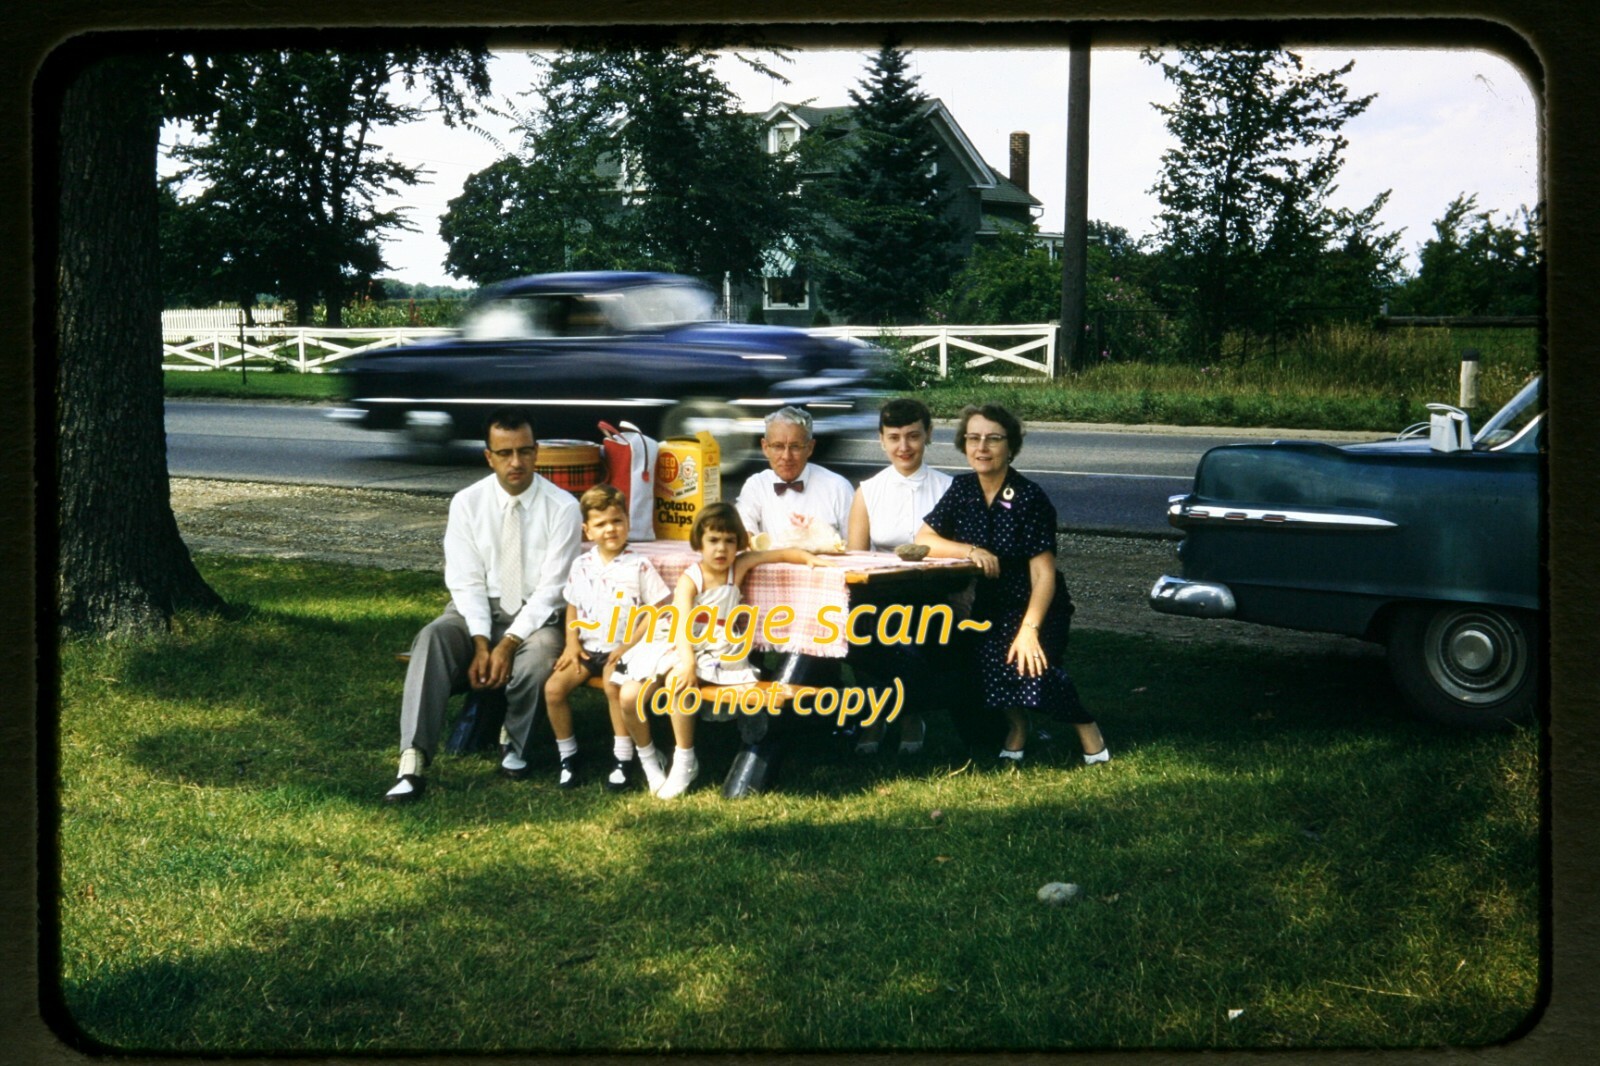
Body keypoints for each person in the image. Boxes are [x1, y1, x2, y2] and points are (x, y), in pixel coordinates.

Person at [384, 407, 582, 804]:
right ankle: (413, 760)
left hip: (533, 610)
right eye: (505, 453)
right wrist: (480, 642)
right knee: (433, 637)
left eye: (525, 452)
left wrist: (507, 643)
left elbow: (551, 589)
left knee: (540, 652)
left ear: (537, 452)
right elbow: (465, 580)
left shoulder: (563, 507)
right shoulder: (466, 503)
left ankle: (515, 741)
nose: (516, 462)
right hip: (476, 608)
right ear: (488, 456)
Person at [915, 404, 1110, 769]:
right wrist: (970, 550)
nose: (981, 447)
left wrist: (1029, 629)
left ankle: (1086, 726)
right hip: (985, 607)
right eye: (973, 438)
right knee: (981, 664)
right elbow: (925, 539)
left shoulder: (1029, 498)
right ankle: (1018, 727)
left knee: (1033, 665)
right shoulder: (962, 489)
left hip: (1035, 606)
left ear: (1010, 446)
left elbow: (1044, 574)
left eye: (993, 439)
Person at [613, 503, 818, 800]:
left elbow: (781, 553)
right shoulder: (690, 578)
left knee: (678, 685)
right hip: (681, 640)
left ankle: (685, 760)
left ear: (738, 543)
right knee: (630, 696)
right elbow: (682, 626)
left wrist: (809, 558)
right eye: (713, 540)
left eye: (729, 541)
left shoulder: (739, 566)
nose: (721, 549)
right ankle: (649, 762)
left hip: (718, 646)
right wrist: (688, 662)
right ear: (699, 542)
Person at [543, 483, 672, 791]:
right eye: (601, 524)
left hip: (622, 649)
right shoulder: (581, 564)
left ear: (627, 522)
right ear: (587, 530)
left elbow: (659, 609)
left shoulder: (638, 565)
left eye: (617, 521)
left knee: (614, 687)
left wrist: (628, 645)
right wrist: (572, 642)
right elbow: (572, 606)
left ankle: (622, 758)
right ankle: (568, 756)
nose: (610, 529)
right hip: (587, 649)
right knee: (553, 689)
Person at [846, 397, 954, 755]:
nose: (903, 447)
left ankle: (911, 715)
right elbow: (856, 559)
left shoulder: (950, 489)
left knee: (921, 632)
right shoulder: (868, 491)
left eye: (913, 436)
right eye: (894, 437)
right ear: (881, 439)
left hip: (934, 591)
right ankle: (874, 716)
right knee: (861, 629)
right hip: (880, 592)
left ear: (929, 436)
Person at [734, 406, 854, 540]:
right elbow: (743, 530)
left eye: (795, 447)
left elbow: (856, 547)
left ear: (810, 448)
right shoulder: (756, 486)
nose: (786, 456)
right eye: (778, 446)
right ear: (765, 448)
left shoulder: (838, 488)